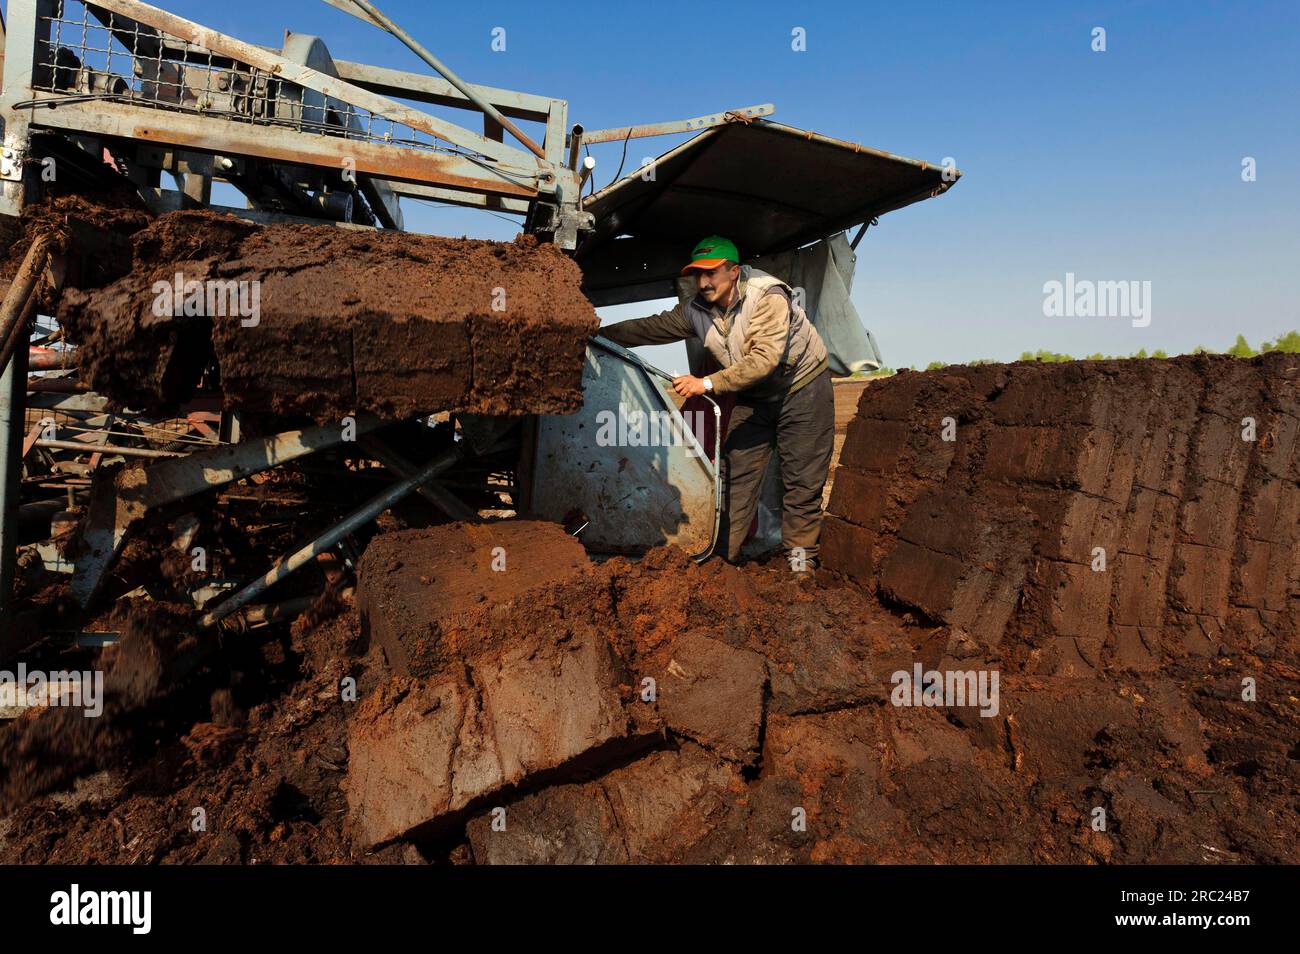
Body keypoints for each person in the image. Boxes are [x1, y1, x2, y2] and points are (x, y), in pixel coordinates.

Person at [600, 235, 834, 574]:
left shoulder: (768, 296)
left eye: (711, 273)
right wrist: (597, 332)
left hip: (802, 389)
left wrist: (705, 383)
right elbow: (650, 328)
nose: (703, 282)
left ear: (735, 271)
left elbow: (763, 360)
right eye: (698, 274)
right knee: (733, 477)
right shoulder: (696, 310)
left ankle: (801, 567)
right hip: (756, 397)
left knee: (801, 482)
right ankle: (721, 564)